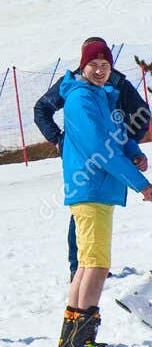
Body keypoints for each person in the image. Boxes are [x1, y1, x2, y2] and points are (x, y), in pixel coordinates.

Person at [56, 38, 152, 347]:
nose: (99, 70)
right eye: (93, 65)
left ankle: (70, 339)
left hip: (99, 190)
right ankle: (82, 342)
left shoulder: (103, 97)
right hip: (91, 189)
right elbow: (99, 149)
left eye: (105, 65)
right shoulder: (80, 100)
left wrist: (136, 154)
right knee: (97, 265)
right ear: (82, 67)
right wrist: (141, 185)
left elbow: (118, 137)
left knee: (87, 264)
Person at [34, 36, 152, 277]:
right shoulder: (75, 84)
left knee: (97, 206)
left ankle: (89, 268)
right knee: (85, 204)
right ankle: (79, 266)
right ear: (83, 59)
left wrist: (129, 148)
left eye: (104, 62)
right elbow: (41, 109)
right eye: (91, 60)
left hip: (111, 154)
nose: (99, 68)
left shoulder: (115, 80)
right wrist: (58, 139)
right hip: (83, 152)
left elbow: (142, 112)